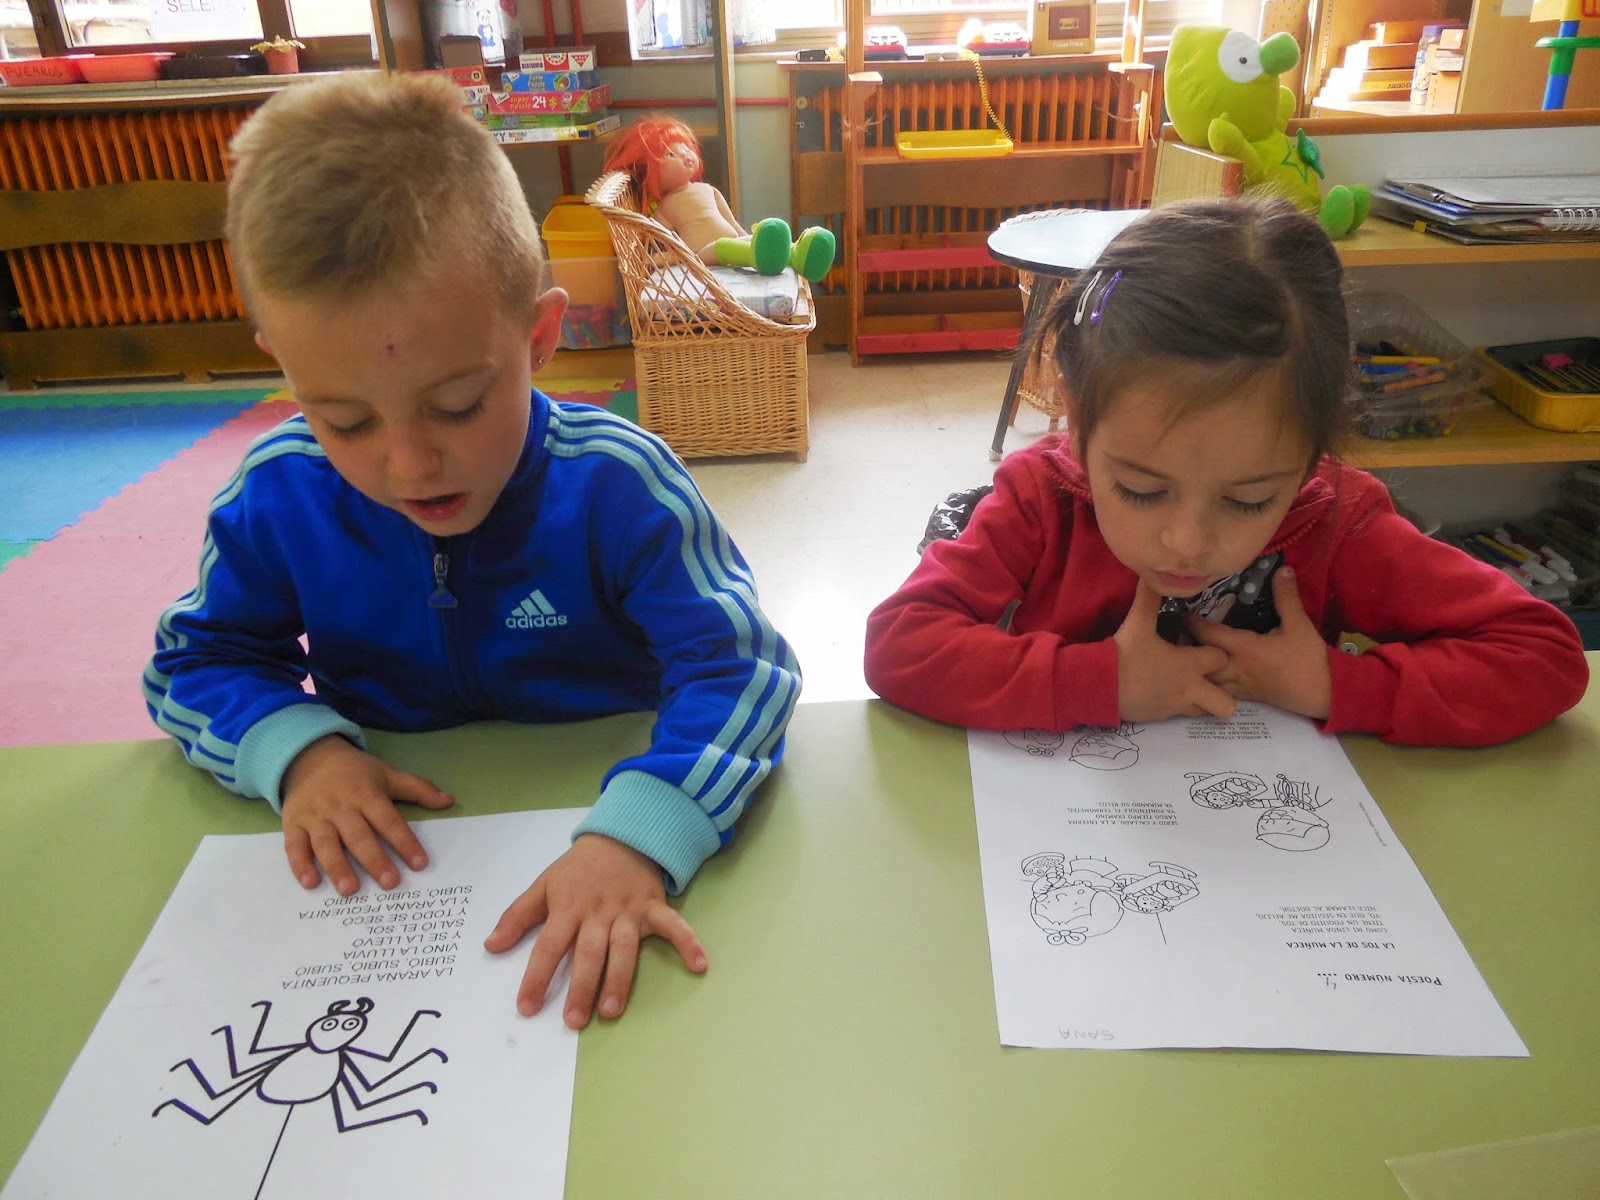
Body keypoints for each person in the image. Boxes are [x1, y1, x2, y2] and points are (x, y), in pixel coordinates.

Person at [143, 72, 801, 1030]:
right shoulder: (281, 494)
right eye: (343, 418)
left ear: (539, 337)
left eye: (457, 406)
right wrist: (301, 751)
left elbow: (745, 670)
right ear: (285, 371)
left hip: (605, 823)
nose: (408, 463)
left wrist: (644, 833)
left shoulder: (619, 485)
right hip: (401, 893)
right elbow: (192, 664)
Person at [863, 196, 1587, 746]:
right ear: (1078, 429)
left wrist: (1335, 683)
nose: (1186, 542)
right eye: (1141, 489)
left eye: (1247, 500)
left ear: (1310, 458)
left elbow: (1545, 659)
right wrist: (1100, 681)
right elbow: (901, 645)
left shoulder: (1337, 518)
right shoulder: (1040, 500)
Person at [601, 113, 835, 282]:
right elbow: (660, 236)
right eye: (671, 154)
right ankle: (761, 256)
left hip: (731, 239)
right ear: (650, 171)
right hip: (705, 253)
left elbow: (731, 221)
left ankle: (799, 255)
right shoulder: (667, 204)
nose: (685, 155)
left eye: (685, 148)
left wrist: (749, 236)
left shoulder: (708, 190)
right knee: (725, 247)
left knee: (751, 241)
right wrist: (664, 258)